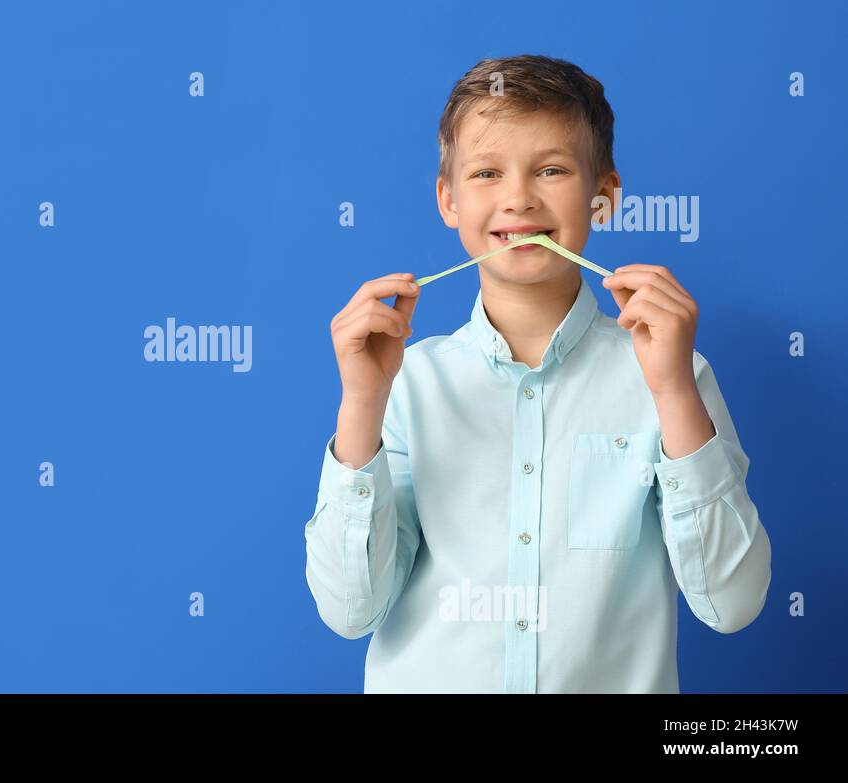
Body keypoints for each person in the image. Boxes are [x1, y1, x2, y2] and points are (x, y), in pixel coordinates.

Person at [304, 54, 771, 693]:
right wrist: (360, 405)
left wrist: (671, 391)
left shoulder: (673, 375)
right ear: (449, 199)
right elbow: (349, 611)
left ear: (603, 197)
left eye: (550, 169)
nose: (518, 197)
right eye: (486, 172)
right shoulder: (406, 383)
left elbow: (732, 601)